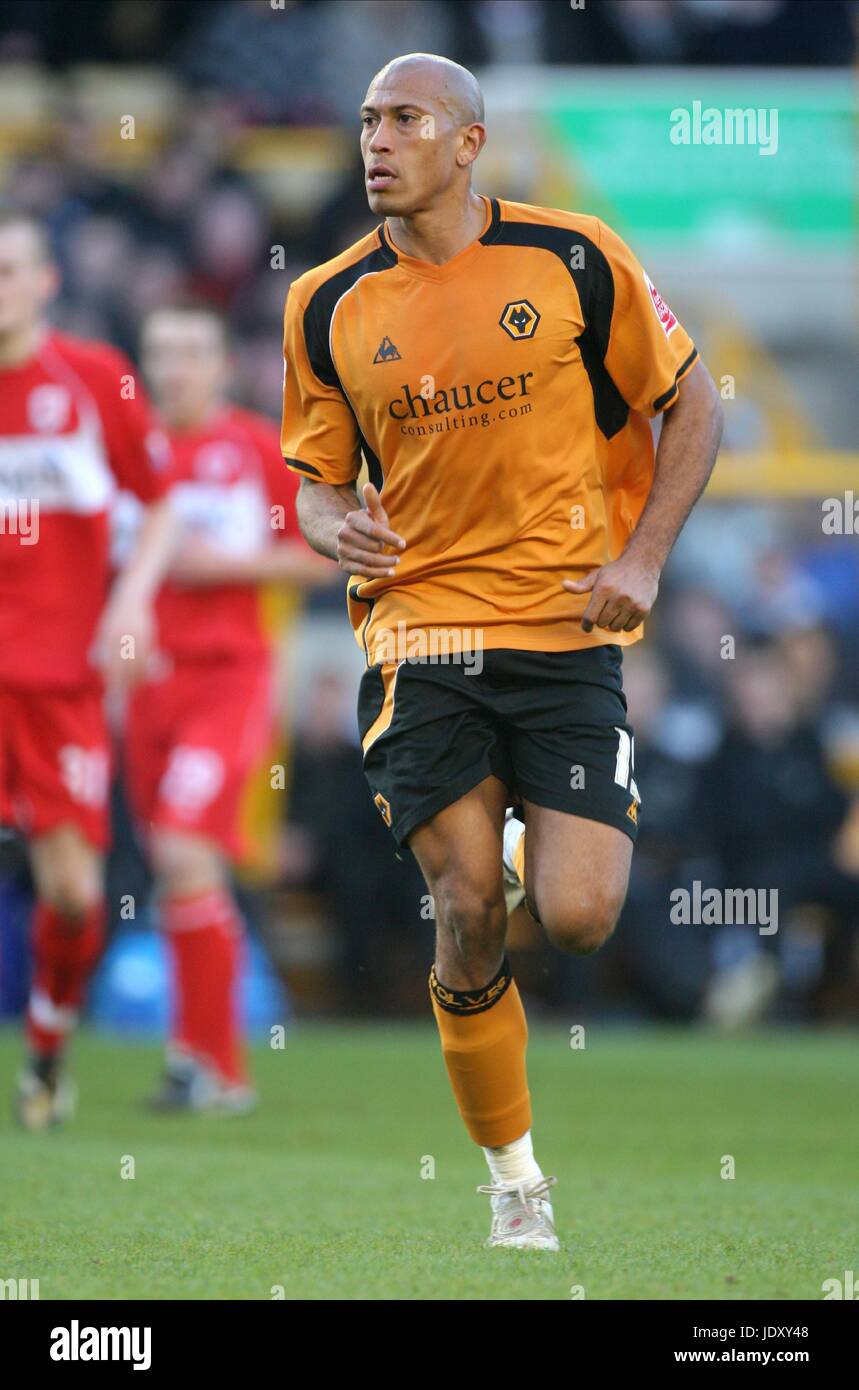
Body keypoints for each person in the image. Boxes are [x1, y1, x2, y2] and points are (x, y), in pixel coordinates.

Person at [281, 54, 723, 1249]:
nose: (377, 140)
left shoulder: (572, 256)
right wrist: (337, 529)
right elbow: (316, 490)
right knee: (467, 903)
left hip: (567, 623)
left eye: (406, 119)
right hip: (419, 630)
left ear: (468, 143)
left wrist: (642, 561)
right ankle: (514, 1182)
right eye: (368, 119)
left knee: (576, 917)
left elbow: (695, 403)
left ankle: (534, 841)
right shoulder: (324, 299)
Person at [126, 303, 332, 1112]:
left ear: (219, 365)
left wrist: (228, 566)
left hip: (229, 678)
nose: (174, 368)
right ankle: (201, 1064)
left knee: (182, 848)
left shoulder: (252, 448)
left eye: (190, 352)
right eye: (161, 352)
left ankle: (219, 1067)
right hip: (145, 687)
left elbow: (322, 556)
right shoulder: (130, 452)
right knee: (183, 867)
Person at [0, 210, 176, 1128]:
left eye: (10, 268)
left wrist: (131, 598)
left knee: (73, 895)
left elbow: (158, 504)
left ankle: (46, 1048)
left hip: (59, 681)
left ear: (44, 281)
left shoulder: (93, 379)